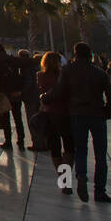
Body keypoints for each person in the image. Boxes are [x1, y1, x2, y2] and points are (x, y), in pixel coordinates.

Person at [43, 42, 111, 203]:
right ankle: (99, 191)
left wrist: (45, 97)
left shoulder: (68, 71)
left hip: (77, 115)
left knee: (80, 150)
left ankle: (81, 177)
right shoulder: (99, 73)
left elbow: (58, 90)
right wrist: (106, 113)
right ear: (90, 55)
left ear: (75, 54)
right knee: (100, 155)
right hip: (97, 115)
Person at [36, 52, 75, 195]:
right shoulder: (65, 75)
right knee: (69, 147)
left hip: (49, 113)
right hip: (66, 113)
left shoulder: (41, 75)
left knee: (55, 147)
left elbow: (43, 94)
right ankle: (66, 178)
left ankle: (63, 180)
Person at [0, 42, 31, 150]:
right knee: (17, 117)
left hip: (3, 93)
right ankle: (21, 140)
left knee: (5, 118)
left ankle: (8, 140)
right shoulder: (12, 59)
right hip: (15, 92)